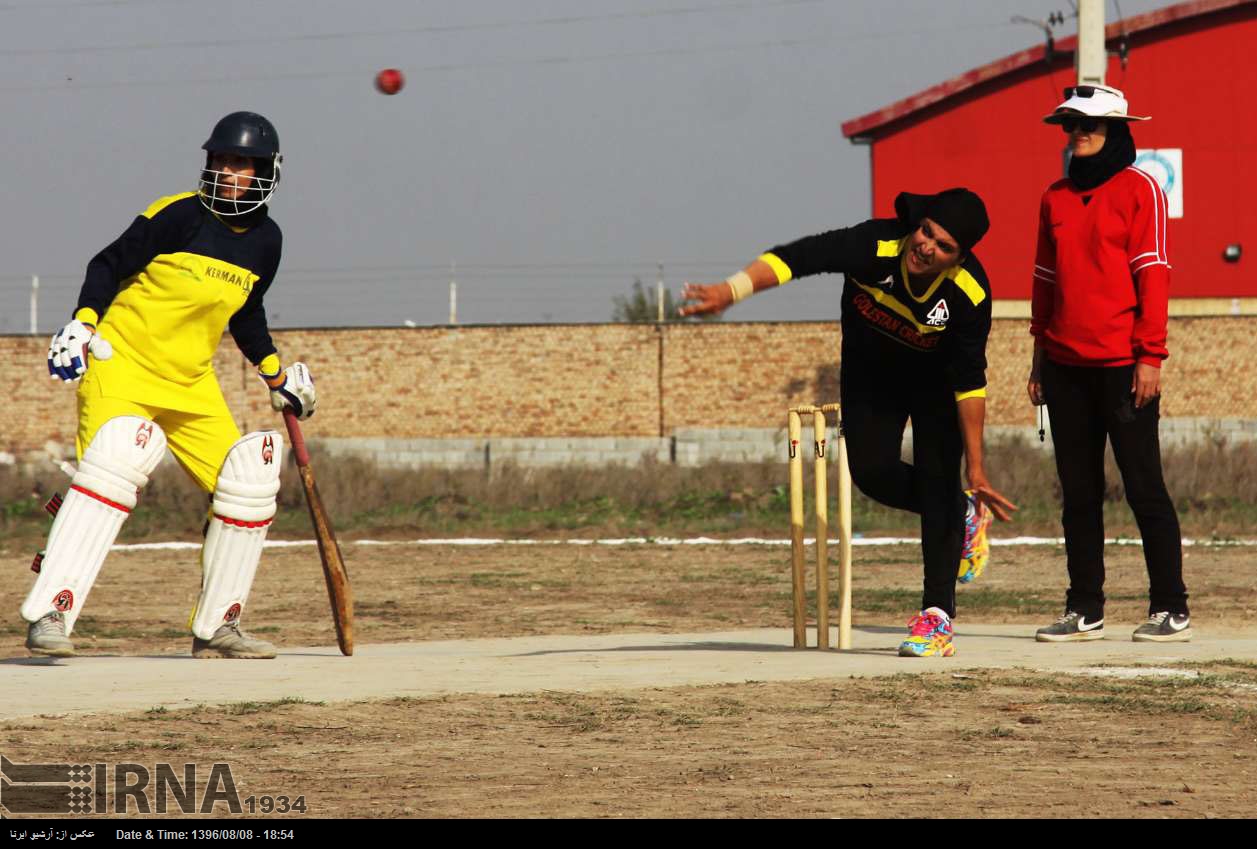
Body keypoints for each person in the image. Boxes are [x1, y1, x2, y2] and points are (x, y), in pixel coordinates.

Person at [23, 111, 316, 659]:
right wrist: (84, 322)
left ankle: (217, 626)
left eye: (242, 163)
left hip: (190, 383)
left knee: (247, 485)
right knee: (104, 484)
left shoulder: (265, 242)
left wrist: (278, 375)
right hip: (123, 365)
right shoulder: (177, 215)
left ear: (265, 172)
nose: (229, 172)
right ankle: (50, 614)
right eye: (222, 161)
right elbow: (106, 265)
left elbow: (246, 315)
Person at [680, 189, 1016, 657]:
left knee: (940, 478)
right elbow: (796, 258)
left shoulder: (968, 292)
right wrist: (730, 291)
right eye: (926, 232)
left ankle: (937, 617)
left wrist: (977, 469)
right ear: (916, 225)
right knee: (872, 474)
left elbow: (970, 383)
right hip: (870, 376)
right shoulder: (873, 245)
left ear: (959, 257)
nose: (927, 248)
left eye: (943, 247)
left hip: (934, 385)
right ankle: (959, 513)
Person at [1028, 85, 1190, 643]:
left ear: (1116, 129)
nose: (1077, 134)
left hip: (1125, 365)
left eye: (1088, 124)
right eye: (1070, 125)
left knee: (1145, 486)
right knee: (1077, 494)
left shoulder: (1141, 188)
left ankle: (1171, 607)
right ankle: (1084, 609)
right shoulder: (1054, 196)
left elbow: (1154, 274)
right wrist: (1037, 358)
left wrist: (1151, 356)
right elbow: (1044, 281)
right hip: (1063, 366)